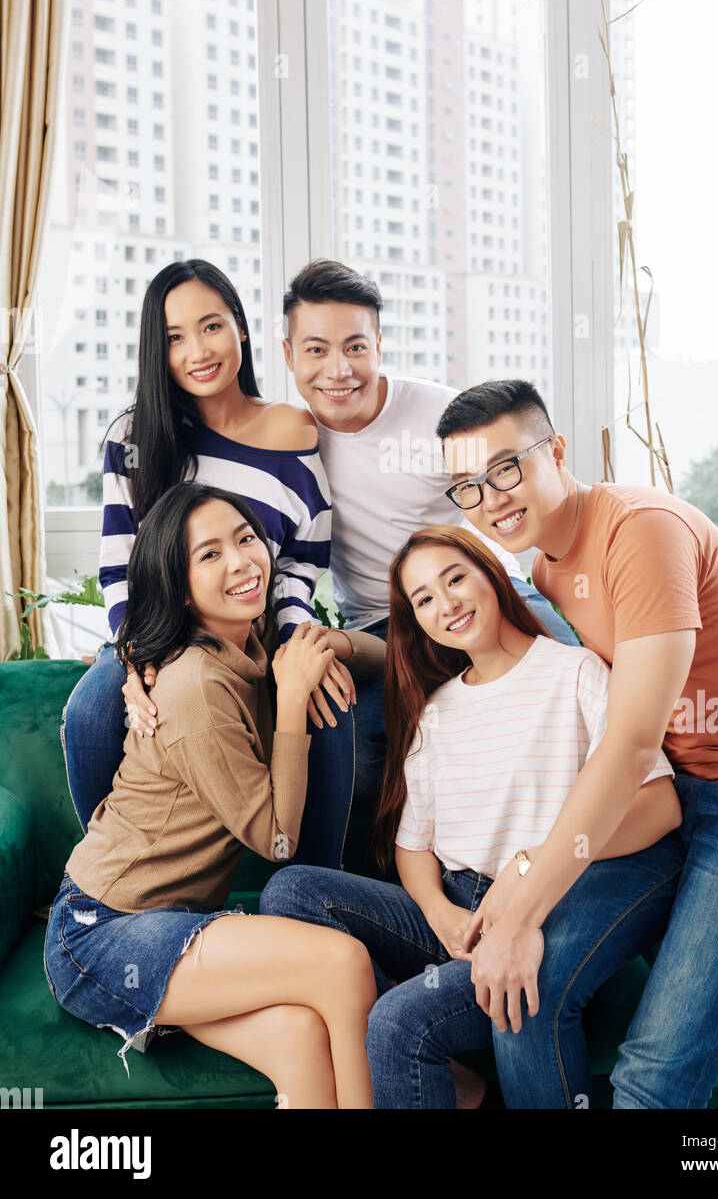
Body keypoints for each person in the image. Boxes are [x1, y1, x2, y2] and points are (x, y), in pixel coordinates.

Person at [432, 377, 718, 1109]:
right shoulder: (546, 567)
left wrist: (526, 899)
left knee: (652, 1081)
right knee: (524, 994)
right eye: (466, 486)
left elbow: (629, 743)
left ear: (556, 451)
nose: (491, 498)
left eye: (505, 468)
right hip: (677, 797)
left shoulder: (640, 530)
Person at [258, 525, 679, 1108]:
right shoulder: (435, 710)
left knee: (401, 1024)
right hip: (458, 914)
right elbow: (414, 847)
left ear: (492, 575)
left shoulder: (575, 673)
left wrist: (530, 867)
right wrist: (440, 915)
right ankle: (456, 1065)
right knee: (292, 892)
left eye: (455, 578)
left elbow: (659, 806)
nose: (447, 603)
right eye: (424, 598)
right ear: (416, 620)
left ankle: (438, 1041)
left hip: (543, 912)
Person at [44, 483, 380, 1108]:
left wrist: (324, 645)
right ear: (178, 582)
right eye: (209, 555)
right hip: (100, 932)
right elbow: (277, 840)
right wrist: (293, 704)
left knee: (301, 1033)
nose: (241, 561)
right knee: (342, 965)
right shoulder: (194, 684)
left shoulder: (250, 646)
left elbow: (382, 659)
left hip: (168, 921)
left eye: (246, 538)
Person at [61, 259, 367, 870]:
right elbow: (120, 564)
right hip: (154, 633)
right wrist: (137, 657)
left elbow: (297, 571)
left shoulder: (292, 437)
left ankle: (314, 890)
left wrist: (299, 645)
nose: (197, 351)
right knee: (92, 712)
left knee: (327, 707)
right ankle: (116, 871)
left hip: (250, 639)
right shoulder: (134, 435)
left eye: (211, 326)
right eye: (174, 337)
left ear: (241, 330)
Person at [281, 258, 581, 843]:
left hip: (485, 587)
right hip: (381, 623)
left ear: (379, 346)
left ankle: (597, 848)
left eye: (356, 347)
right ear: (290, 353)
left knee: (572, 677)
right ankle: (398, 902)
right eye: (316, 350)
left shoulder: (438, 416)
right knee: (361, 750)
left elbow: (517, 493)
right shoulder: (287, 440)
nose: (339, 370)